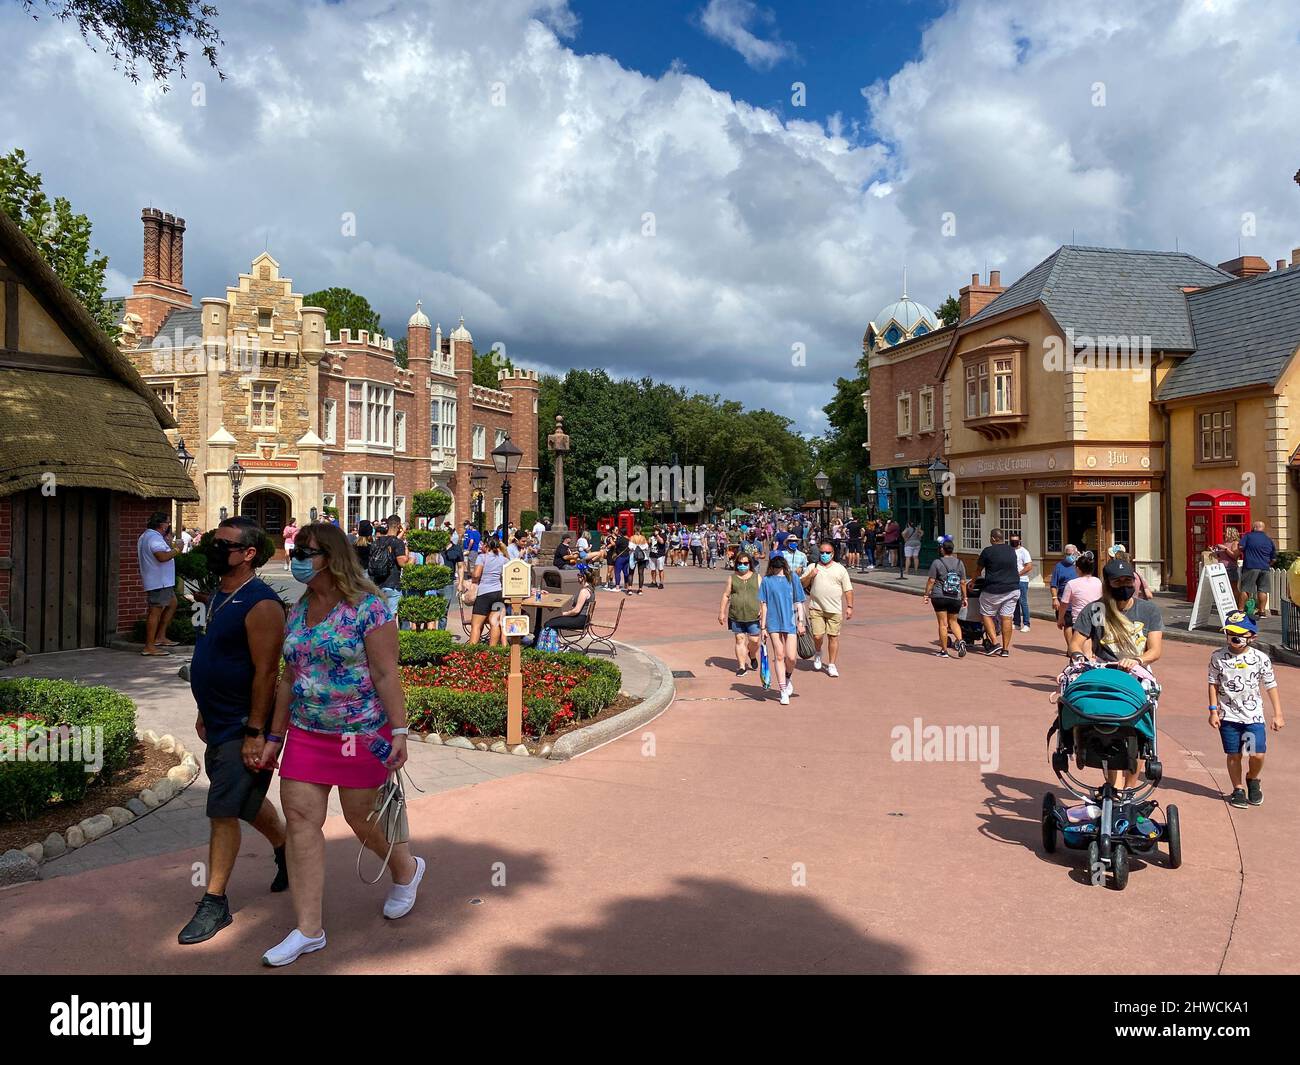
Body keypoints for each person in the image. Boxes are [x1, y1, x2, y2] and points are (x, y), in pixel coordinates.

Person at [257, 521, 421, 967]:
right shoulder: (298, 608)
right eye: (295, 552)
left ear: (330, 556)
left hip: (360, 734)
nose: (296, 560)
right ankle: (308, 929)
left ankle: (406, 869)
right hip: (308, 735)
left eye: (305, 552)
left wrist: (400, 731)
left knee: (360, 819)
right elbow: (287, 677)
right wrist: (274, 735)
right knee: (302, 820)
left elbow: (387, 673)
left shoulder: (369, 608)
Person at [178, 516, 289, 945]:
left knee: (223, 811)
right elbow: (208, 653)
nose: (214, 548)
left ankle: (214, 901)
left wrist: (256, 732)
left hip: (244, 725)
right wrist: (204, 709)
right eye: (213, 540)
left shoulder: (260, 604)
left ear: (247, 554)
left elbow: (266, 673)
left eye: (223, 544)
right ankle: (287, 852)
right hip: (218, 719)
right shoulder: (219, 596)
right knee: (242, 802)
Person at [1069, 557, 1165, 789]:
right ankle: (1115, 790)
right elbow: (1076, 642)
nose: (1124, 586)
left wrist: (1137, 660)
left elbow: (1155, 650)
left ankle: (1128, 789)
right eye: (1117, 581)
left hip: (1137, 674)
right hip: (1106, 673)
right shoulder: (1098, 610)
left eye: (1128, 580)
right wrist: (1080, 658)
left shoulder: (1147, 610)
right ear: (1108, 583)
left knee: (1140, 736)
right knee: (1108, 729)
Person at [1208, 610, 1285, 808]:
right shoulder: (1218, 657)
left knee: (1256, 754)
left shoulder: (1260, 659)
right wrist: (1213, 710)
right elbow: (1213, 683)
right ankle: (1238, 788)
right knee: (1234, 754)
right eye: (1230, 632)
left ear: (1251, 636)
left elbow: (1270, 685)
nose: (1234, 637)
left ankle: (1252, 778)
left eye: (1239, 633)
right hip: (1228, 716)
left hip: (1252, 717)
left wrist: (1278, 714)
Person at [800, 540, 854, 677]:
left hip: (834, 609)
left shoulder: (840, 569)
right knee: (817, 636)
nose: (824, 555)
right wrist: (810, 575)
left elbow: (848, 589)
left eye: (827, 553)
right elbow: (802, 583)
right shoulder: (813, 566)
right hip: (816, 608)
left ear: (833, 554)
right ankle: (818, 652)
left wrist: (849, 606)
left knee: (833, 637)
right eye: (822, 552)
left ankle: (831, 664)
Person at [758, 554, 806, 706]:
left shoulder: (792, 578)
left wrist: (801, 622)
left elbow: (799, 602)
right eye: (775, 563)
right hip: (773, 622)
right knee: (779, 655)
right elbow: (764, 604)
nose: (778, 566)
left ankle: (788, 677)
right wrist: (763, 627)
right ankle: (782, 690)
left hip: (790, 621)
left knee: (791, 657)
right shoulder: (766, 581)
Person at [137, 511, 181, 656]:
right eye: (167, 522)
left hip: (162, 581)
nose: (169, 525)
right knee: (155, 611)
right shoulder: (154, 538)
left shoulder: (148, 536)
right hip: (158, 581)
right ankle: (149, 646)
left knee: (172, 603)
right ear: (161, 524)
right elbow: (161, 557)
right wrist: (177, 549)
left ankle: (160, 637)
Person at [975, 528, 1021, 657]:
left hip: (993, 589)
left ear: (993, 538)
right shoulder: (1011, 551)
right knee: (1007, 618)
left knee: (986, 614)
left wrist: (972, 581)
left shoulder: (987, 551)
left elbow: (978, 570)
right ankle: (1005, 649)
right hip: (1012, 588)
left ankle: (995, 643)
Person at [719, 550, 761, 676]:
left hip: (753, 615)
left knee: (754, 640)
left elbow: (764, 595)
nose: (742, 565)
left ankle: (752, 655)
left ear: (750, 564)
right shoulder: (732, 578)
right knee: (739, 639)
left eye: (745, 563)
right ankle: (742, 666)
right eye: (739, 563)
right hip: (736, 614)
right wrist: (722, 612)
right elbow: (726, 595)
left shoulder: (756, 577)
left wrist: (763, 609)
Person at [924, 536, 967, 657]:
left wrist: (926, 594)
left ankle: (944, 650)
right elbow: (963, 582)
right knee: (953, 621)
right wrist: (965, 597)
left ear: (942, 549)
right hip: (955, 596)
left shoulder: (937, 562)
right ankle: (960, 640)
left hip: (940, 596)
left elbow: (931, 580)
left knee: (943, 624)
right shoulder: (960, 563)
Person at [465, 535, 507, 645]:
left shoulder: (482, 557)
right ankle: (492, 651)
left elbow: (476, 575)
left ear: (486, 545)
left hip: (484, 593)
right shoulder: (504, 559)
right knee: (495, 622)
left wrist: (473, 575)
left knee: (476, 625)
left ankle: (471, 651)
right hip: (498, 592)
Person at [1057, 553, 1101, 652]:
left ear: (1078, 568)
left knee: (1083, 650)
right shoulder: (1098, 581)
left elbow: (1064, 604)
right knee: (1096, 649)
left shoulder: (1072, 584)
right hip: (1097, 617)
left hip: (1081, 620)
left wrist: (1060, 619)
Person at [1237, 521, 1277, 617]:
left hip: (1251, 566)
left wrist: (1245, 551)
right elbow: (1274, 558)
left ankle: (1241, 611)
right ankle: (1262, 611)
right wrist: (1267, 564)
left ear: (1254, 527)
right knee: (1263, 590)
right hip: (1264, 567)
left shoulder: (1248, 536)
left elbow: (1241, 546)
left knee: (1246, 589)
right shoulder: (1268, 539)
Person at [544, 568, 598, 636]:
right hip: (584, 619)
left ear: (583, 577)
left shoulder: (584, 591)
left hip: (579, 620)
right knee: (553, 621)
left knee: (549, 623)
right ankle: (556, 643)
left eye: (578, 575)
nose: (577, 578)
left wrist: (565, 613)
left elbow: (576, 611)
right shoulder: (591, 589)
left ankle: (551, 645)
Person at [1048, 544, 1080, 648]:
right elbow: (1053, 585)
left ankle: (1077, 647)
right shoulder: (1059, 566)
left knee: (1079, 627)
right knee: (1068, 625)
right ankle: (1071, 648)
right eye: (1067, 554)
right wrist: (1054, 599)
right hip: (1064, 601)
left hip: (1079, 602)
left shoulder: (1080, 565)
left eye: (1071, 554)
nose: (1069, 556)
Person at [1207, 527, 1242, 605]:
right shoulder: (1224, 543)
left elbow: (1235, 556)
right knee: (1224, 588)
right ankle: (1227, 604)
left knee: (1233, 588)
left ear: (1231, 533)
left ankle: (1238, 605)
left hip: (1231, 568)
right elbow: (1220, 557)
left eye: (1226, 532)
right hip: (1222, 567)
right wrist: (1214, 552)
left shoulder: (1235, 543)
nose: (1224, 534)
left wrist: (1225, 549)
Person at [1010, 533, 1033, 633]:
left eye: (1016, 540)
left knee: (1023, 601)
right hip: (1012, 580)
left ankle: (1027, 624)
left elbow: (1029, 566)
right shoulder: (1010, 551)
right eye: (1012, 540)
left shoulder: (1024, 552)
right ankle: (1016, 623)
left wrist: (1018, 574)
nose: (1014, 542)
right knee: (1015, 601)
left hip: (1022, 580)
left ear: (1019, 541)